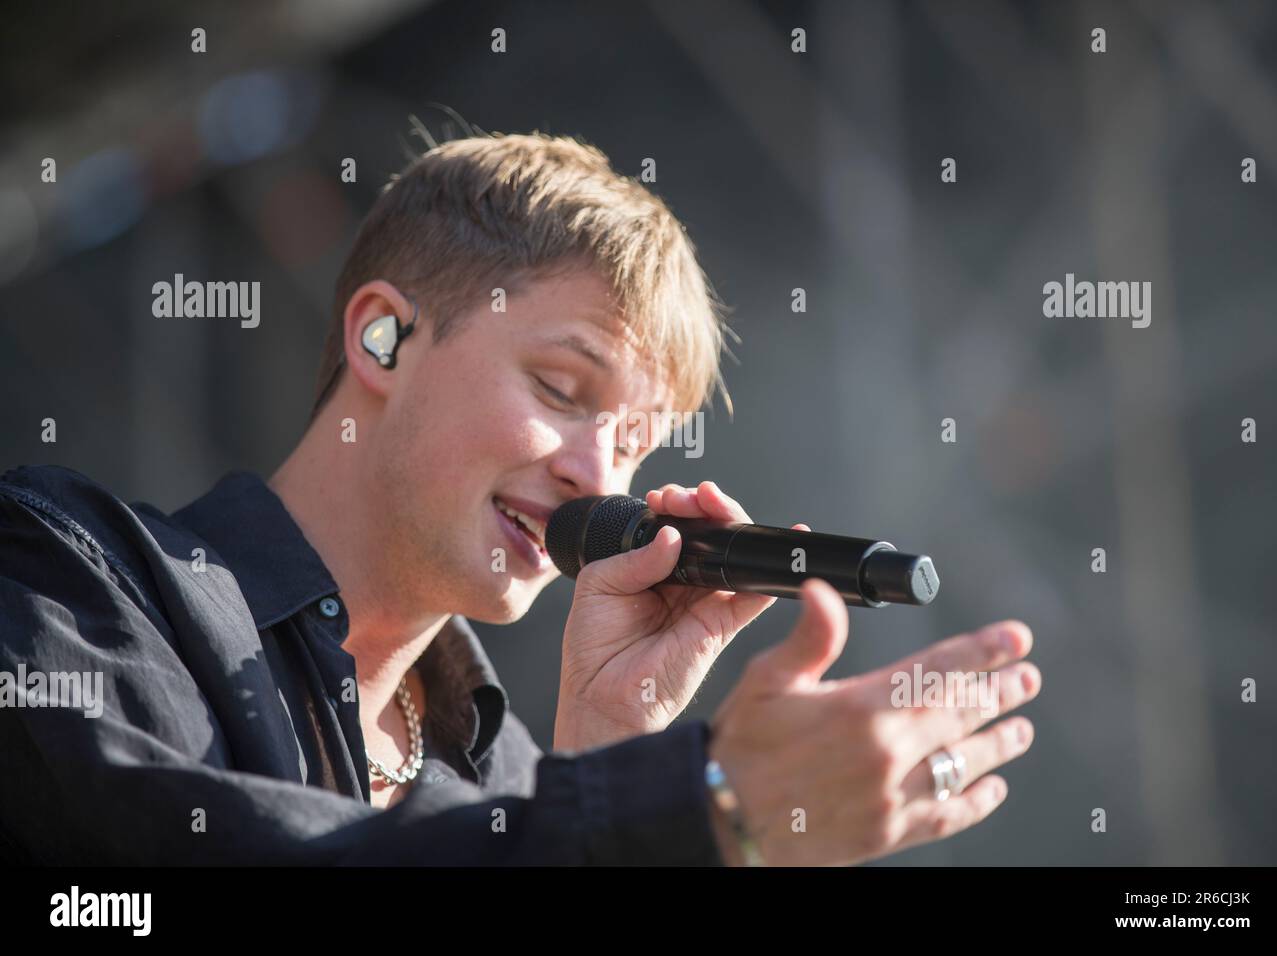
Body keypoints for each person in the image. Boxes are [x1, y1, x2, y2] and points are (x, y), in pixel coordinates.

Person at [0, 132, 1040, 865]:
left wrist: (608, 745)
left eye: (634, 443)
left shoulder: (512, 781)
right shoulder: (75, 572)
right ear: (384, 338)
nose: (599, 472)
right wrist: (692, 813)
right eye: (561, 388)